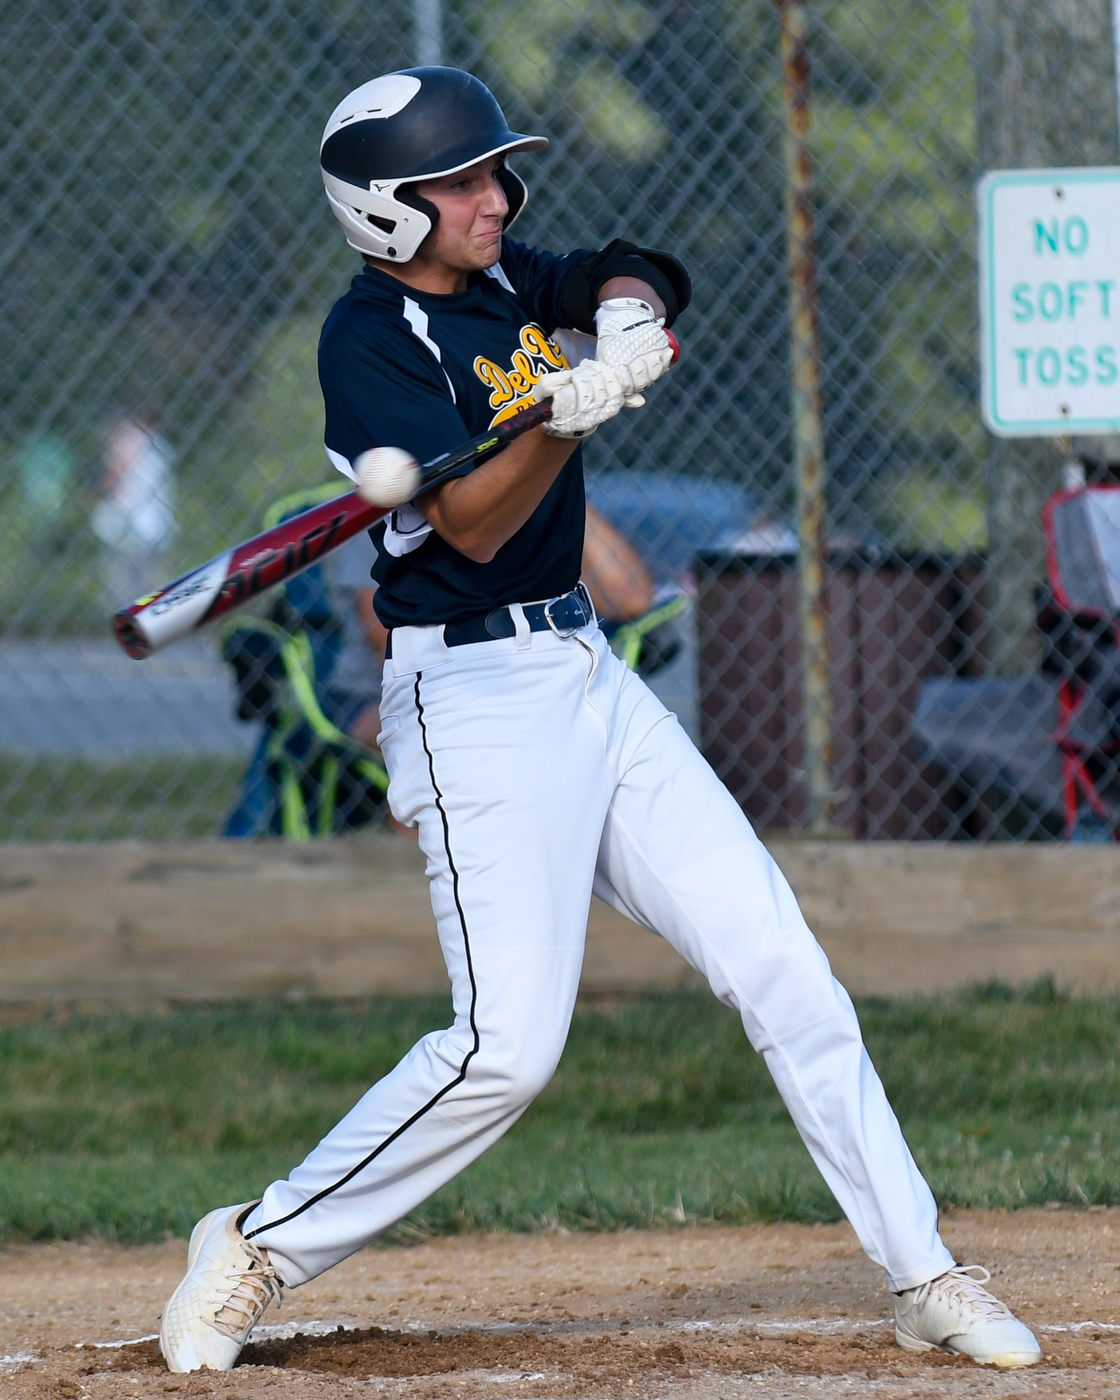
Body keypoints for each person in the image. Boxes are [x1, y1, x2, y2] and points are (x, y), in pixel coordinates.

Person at [159, 67, 1041, 1373]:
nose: (495, 199)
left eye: (494, 173)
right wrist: (562, 416)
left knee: (784, 967)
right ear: (387, 210)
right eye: (460, 183)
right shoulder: (367, 342)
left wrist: (623, 324)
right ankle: (257, 1244)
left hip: (584, 671)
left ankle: (924, 1274)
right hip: (470, 701)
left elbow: (636, 265)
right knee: (507, 1050)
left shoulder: (508, 282)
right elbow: (471, 523)